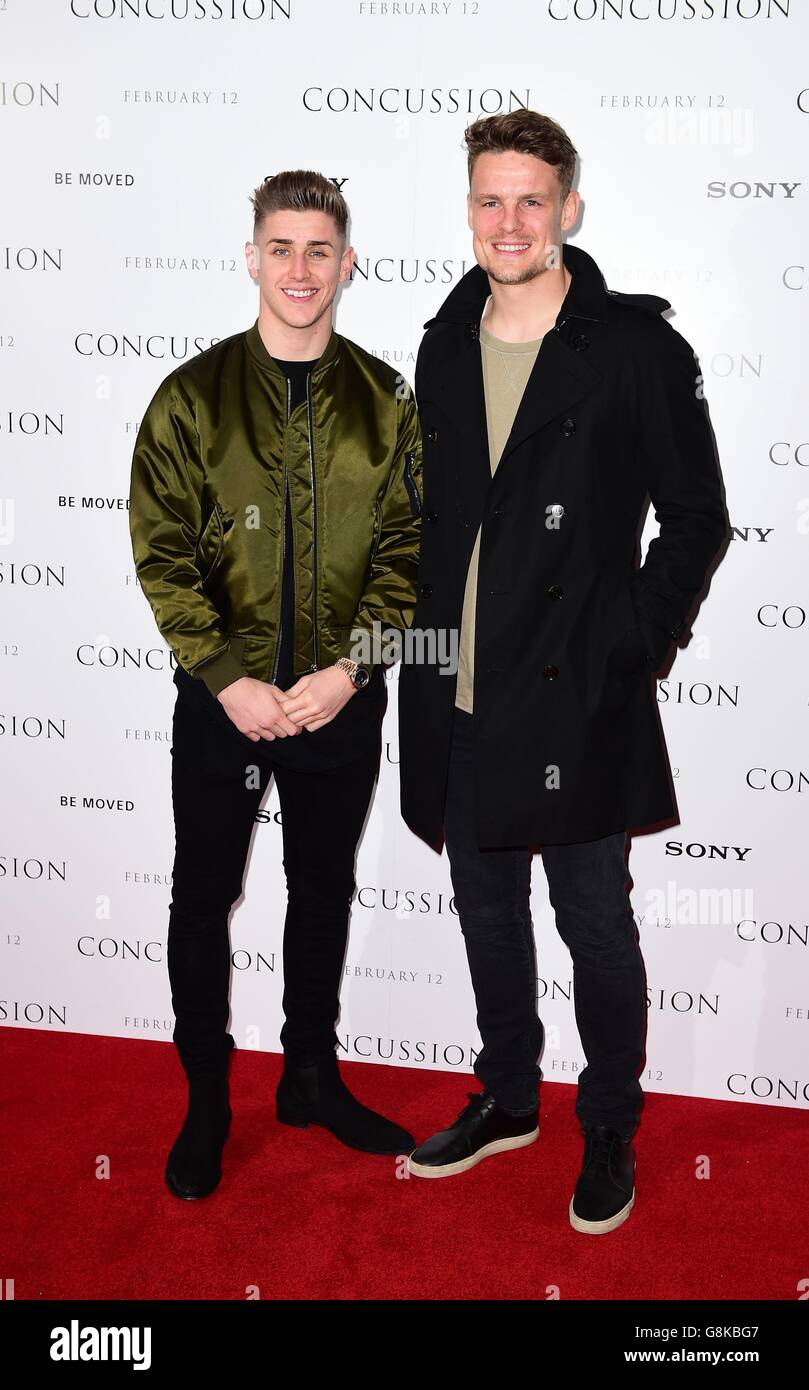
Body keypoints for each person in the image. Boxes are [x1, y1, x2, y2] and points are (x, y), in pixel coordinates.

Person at [398, 111, 727, 1234]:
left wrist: (629, 639)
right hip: (458, 694)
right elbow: (425, 527)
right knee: (483, 907)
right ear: (469, 210)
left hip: (577, 692)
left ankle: (607, 1123)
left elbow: (693, 518)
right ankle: (505, 1095)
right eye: (489, 199)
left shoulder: (634, 348)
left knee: (593, 917)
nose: (508, 220)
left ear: (568, 208)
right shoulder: (441, 342)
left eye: (530, 198)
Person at [129, 170, 423, 1199]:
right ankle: (207, 1098)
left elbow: (406, 549)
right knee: (201, 895)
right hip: (223, 709)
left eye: (318, 250)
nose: (299, 269)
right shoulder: (190, 398)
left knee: (321, 888)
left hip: (339, 705)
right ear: (252, 257)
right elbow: (163, 552)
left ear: (346, 263)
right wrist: (223, 676)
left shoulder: (386, 400)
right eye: (281, 248)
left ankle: (308, 1076)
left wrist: (352, 671)